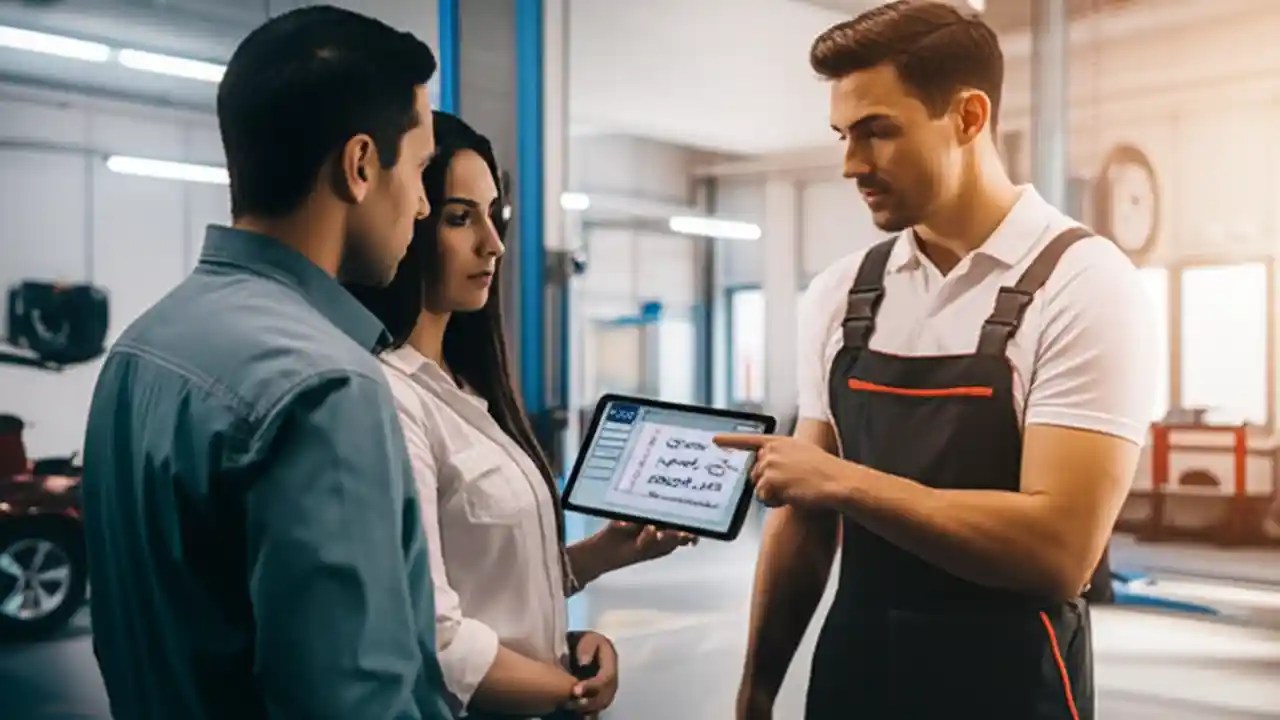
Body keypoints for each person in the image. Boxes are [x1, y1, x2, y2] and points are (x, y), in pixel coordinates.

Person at [717, 3, 1156, 719]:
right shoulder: (841, 292)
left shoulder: (1083, 284)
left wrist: (848, 483)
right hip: (855, 676)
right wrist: (757, 690)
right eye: (843, 135)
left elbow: (1060, 550)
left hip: (1009, 687)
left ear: (969, 117)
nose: (851, 163)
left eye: (878, 132)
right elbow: (803, 515)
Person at [80, 7, 451, 719]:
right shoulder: (324, 386)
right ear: (362, 165)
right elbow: (350, 703)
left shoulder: (140, 348)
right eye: (422, 169)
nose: (424, 204)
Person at [346, 111, 699, 720]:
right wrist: (570, 690)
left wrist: (599, 560)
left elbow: (492, 584)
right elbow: (436, 634)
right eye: (461, 218)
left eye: (494, 215)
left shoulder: (468, 389)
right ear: (408, 218)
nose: (494, 243)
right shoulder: (391, 396)